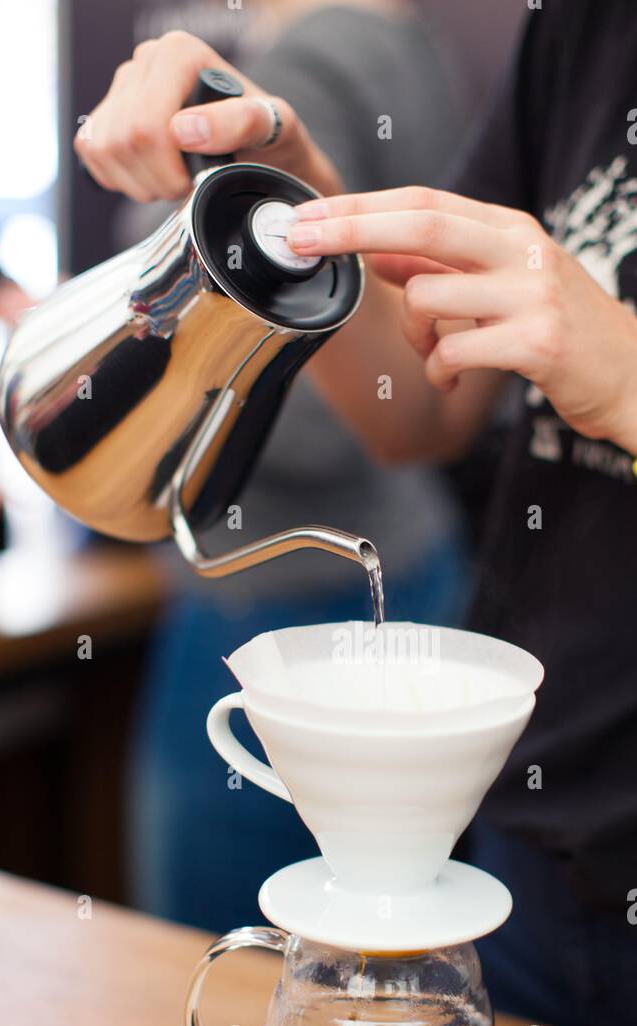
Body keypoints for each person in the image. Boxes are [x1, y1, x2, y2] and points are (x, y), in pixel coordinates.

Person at [78, 1, 637, 1026]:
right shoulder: (596, 28)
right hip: (515, 894)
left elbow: (611, 378)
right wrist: (286, 184)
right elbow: (417, 414)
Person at [112, 1, 468, 931]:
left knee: (220, 961)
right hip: (402, 568)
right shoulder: (409, 54)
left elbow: (321, 418)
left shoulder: (311, 70)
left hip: (282, 605)